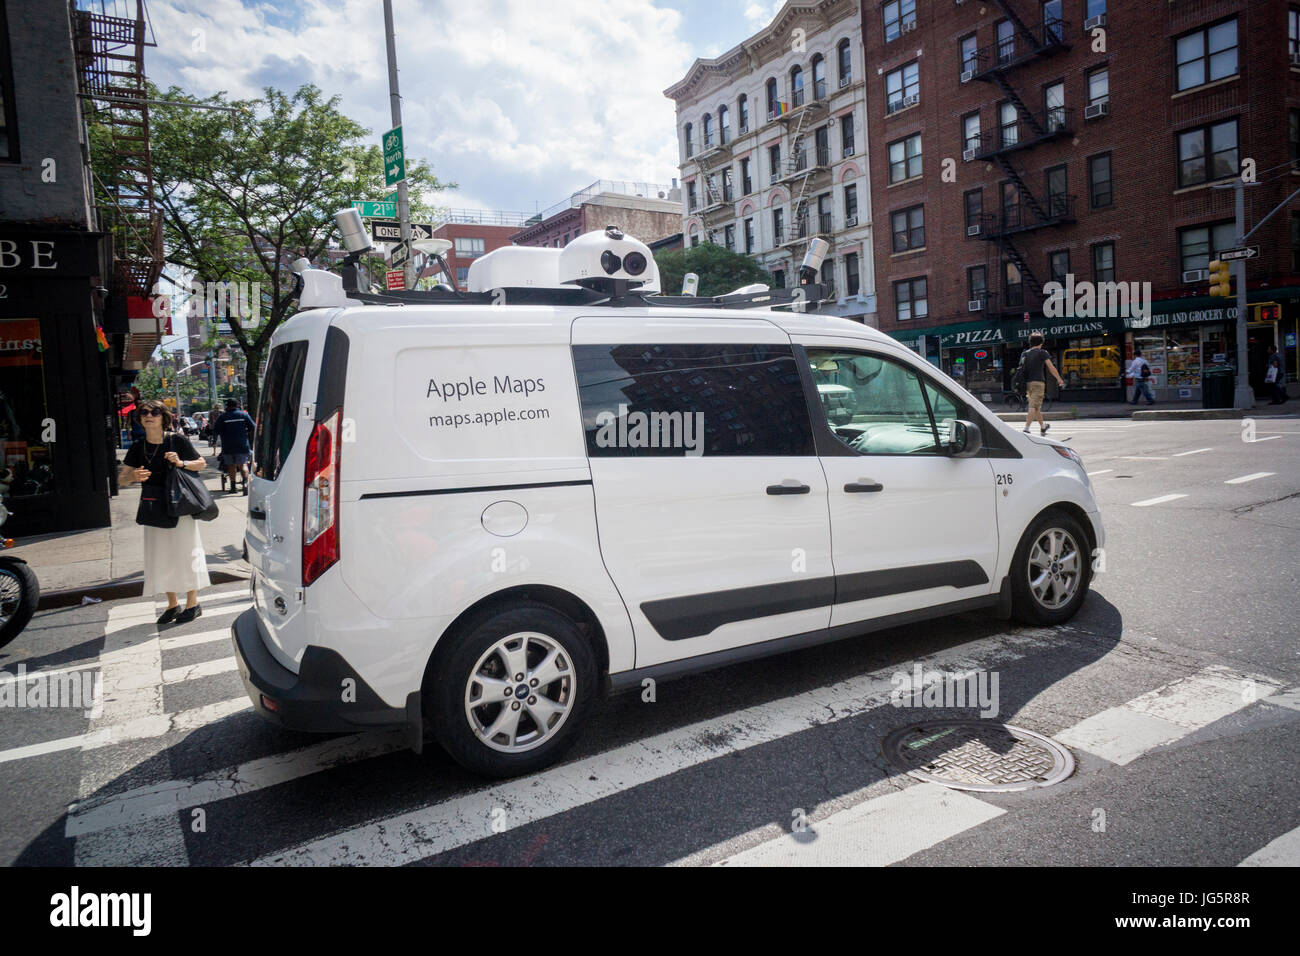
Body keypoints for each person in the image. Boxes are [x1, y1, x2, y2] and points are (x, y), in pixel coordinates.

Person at [118, 399, 211, 626]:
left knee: (186, 553)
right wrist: (133, 478)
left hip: (180, 505)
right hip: (153, 506)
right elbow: (122, 479)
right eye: (144, 412)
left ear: (164, 417)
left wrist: (181, 463)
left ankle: (192, 603)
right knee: (160, 556)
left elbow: (201, 463)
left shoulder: (176, 440)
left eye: (155, 412)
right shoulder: (137, 447)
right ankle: (172, 604)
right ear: (139, 419)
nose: (149, 415)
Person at [1019, 333, 1065, 437]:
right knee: (1033, 406)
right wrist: (1059, 378)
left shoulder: (1025, 353)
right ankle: (1026, 429)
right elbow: (1051, 367)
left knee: (1036, 407)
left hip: (1027, 383)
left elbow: (1021, 368)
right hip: (1038, 383)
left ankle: (1043, 426)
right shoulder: (1042, 352)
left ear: (1030, 342)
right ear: (1041, 342)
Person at [213, 398, 256, 494]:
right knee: (243, 464)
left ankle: (233, 487)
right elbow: (253, 427)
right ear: (237, 405)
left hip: (228, 446)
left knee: (231, 465)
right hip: (242, 444)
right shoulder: (244, 415)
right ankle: (245, 483)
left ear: (227, 406)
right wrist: (245, 433)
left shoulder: (222, 417)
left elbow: (216, 430)